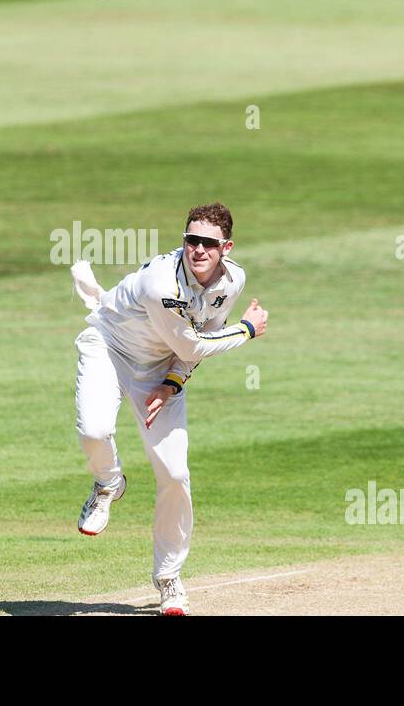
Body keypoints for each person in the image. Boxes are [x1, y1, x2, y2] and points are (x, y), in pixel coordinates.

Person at [70, 202, 268, 615]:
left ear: (225, 248)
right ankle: (108, 484)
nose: (197, 249)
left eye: (207, 243)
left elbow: (200, 341)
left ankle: (169, 578)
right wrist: (247, 330)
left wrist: (172, 381)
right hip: (110, 347)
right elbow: (193, 344)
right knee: (93, 430)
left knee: (175, 474)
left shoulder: (232, 282)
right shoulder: (162, 283)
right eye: (190, 240)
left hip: (159, 370)